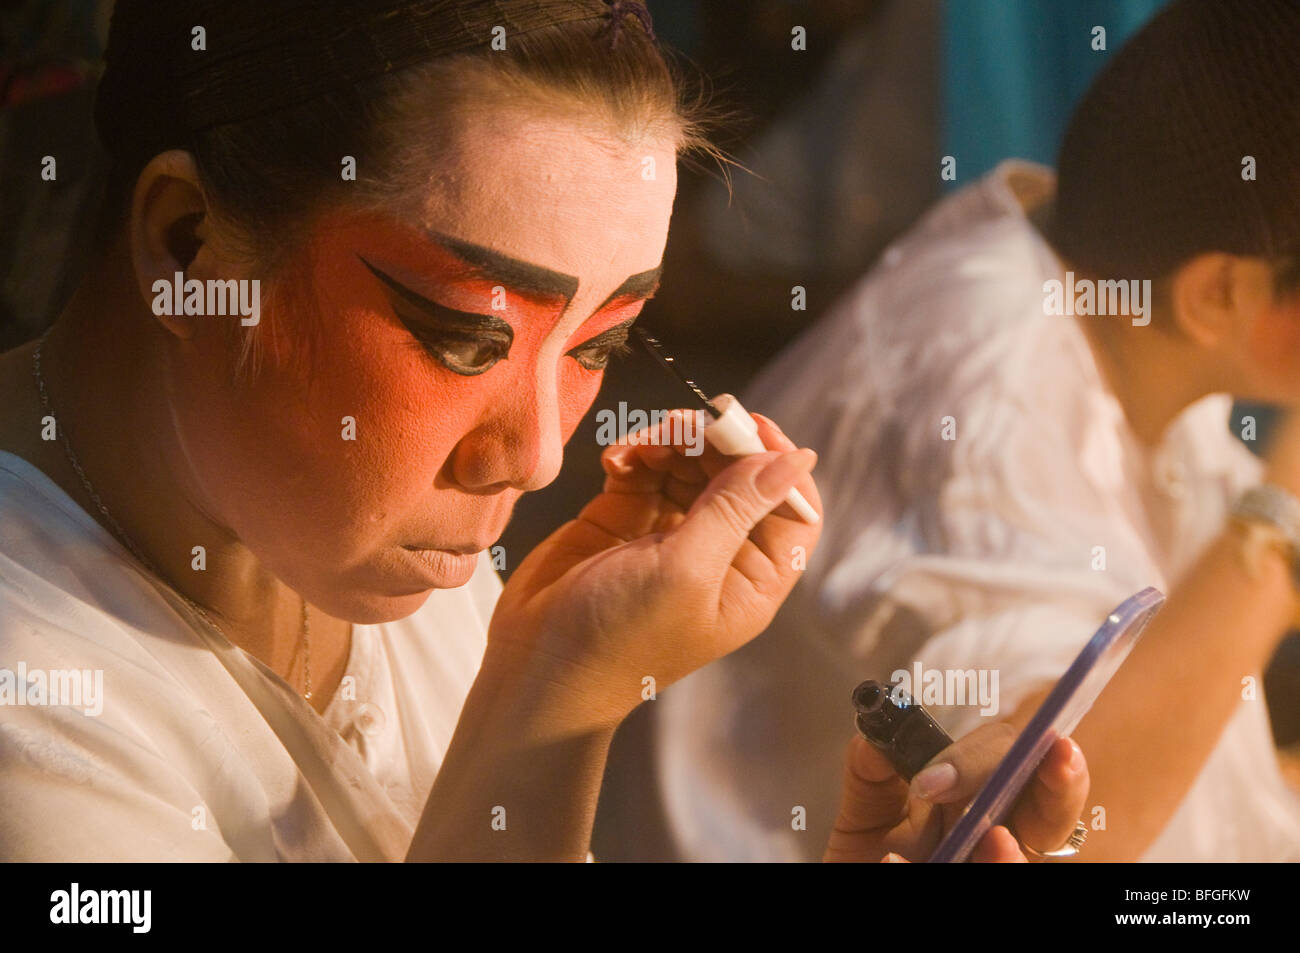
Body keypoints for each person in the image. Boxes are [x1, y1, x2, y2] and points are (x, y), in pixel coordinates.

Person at [0, 0, 1086, 862]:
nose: (534, 455)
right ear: (190, 247)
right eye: (466, 335)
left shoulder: (368, 548)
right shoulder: (33, 703)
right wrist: (552, 701)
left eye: (597, 346)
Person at [657, 0, 1300, 862]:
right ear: (1218, 293)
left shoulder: (1115, 297)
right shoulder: (988, 403)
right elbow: (1061, 821)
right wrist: (1280, 513)